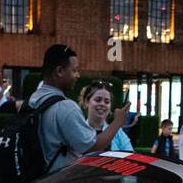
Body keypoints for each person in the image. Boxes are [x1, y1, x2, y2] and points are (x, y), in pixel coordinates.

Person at [28, 44, 129, 174]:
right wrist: (118, 122)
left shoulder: (33, 99)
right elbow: (92, 147)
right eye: (74, 70)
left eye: (106, 101)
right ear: (59, 71)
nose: (78, 75)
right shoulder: (65, 107)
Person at [80, 82, 133, 152]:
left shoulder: (118, 133)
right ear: (86, 102)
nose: (102, 104)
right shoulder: (79, 131)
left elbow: (130, 155)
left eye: (107, 102)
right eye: (98, 100)